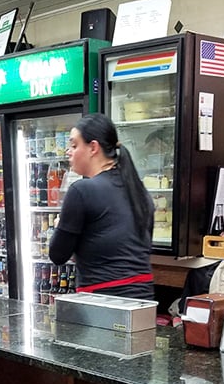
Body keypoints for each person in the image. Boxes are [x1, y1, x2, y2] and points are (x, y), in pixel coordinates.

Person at [48, 113, 155, 300]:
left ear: (93, 147)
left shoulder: (81, 190)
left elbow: (58, 255)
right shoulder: (139, 191)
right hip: (143, 300)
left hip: (102, 302)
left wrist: (60, 227)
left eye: (74, 145)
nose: (69, 152)